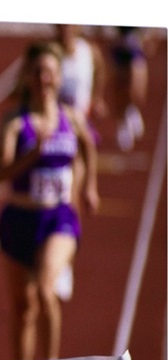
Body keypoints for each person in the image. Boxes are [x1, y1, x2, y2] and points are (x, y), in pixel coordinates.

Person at [0, 41, 100, 360]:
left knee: (44, 291)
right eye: (36, 72)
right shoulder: (14, 122)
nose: (43, 79)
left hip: (59, 219)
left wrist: (89, 186)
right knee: (22, 308)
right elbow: (0, 173)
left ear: (58, 76)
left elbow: (88, 148)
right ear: (27, 77)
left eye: (49, 71)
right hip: (19, 219)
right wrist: (31, 154)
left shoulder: (70, 116)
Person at [53, 24, 108, 301]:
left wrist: (96, 98)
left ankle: (65, 266)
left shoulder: (89, 52)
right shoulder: (49, 56)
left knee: (70, 201)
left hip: (76, 134)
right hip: (49, 134)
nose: (63, 28)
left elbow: (100, 73)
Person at [109, 26, 149, 151]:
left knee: (137, 87)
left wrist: (147, 38)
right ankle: (123, 123)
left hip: (135, 46)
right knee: (119, 87)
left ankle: (132, 110)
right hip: (120, 45)